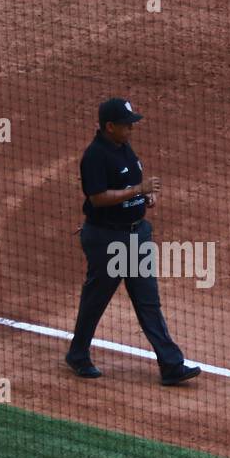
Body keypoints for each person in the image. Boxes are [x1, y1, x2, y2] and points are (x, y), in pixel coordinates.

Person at [65, 98, 200, 385]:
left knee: (148, 301)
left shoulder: (122, 147)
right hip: (108, 239)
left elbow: (130, 184)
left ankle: (171, 365)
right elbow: (98, 198)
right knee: (96, 300)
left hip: (136, 235)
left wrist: (145, 197)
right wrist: (139, 189)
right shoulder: (95, 156)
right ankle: (77, 355)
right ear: (109, 126)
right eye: (126, 125)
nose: (131, 129)